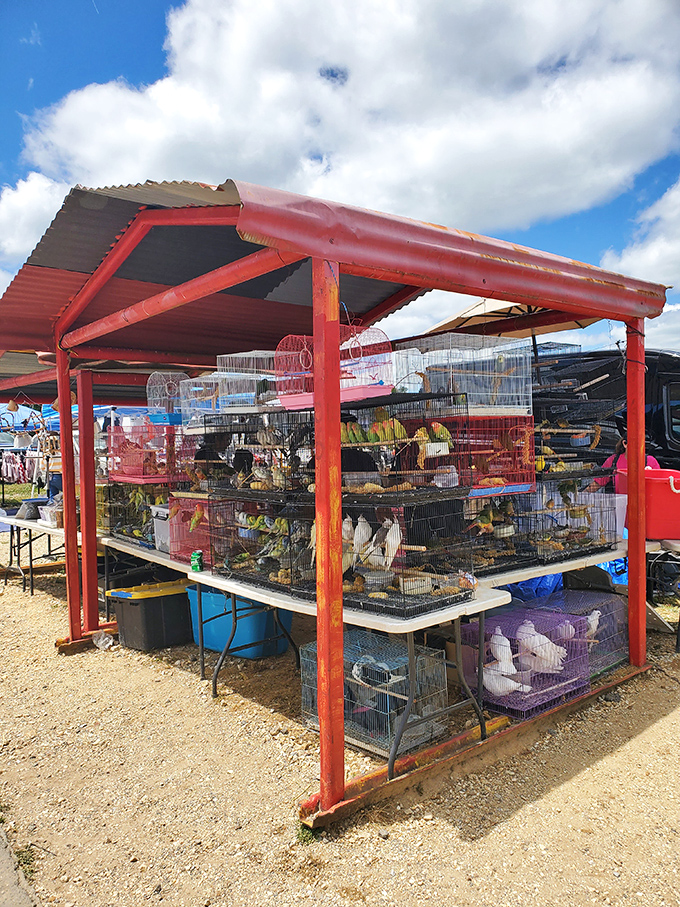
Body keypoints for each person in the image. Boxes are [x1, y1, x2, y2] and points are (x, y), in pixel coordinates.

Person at [590, 434, 660, 495]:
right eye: (635, 443)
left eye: (641, 443)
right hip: (621, 504)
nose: (639, 446)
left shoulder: (650, 462)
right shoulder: (613, 460)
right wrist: (581, 495)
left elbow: (658, 487)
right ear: (625, 444)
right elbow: (597, 483)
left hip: (644, 505)